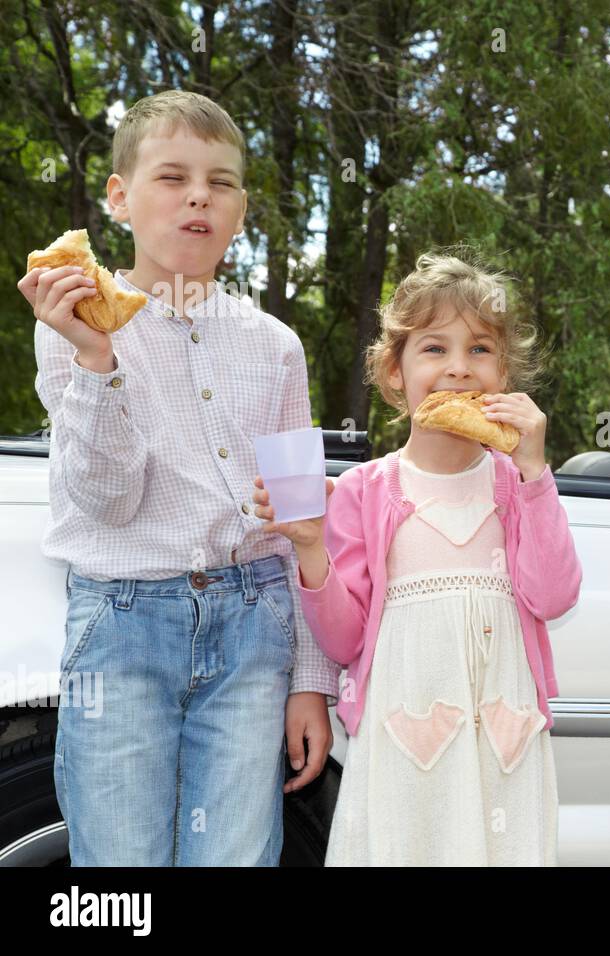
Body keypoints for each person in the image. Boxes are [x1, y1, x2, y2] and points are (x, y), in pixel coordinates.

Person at [21, 90, 337, 865]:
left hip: (252, 630)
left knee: (236, 854)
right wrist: (99, 362)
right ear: (120, 198)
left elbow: (300, 522)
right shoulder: (73, 325)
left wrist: (310, 678)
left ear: (240, 209)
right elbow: (109, 499)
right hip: (124, 629)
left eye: (220, 181)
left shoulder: (277, 347)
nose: (199, 194)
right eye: (173, 176)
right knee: (120, 861)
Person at [255, 249, 581, 865]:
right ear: (395, 373)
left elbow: (554, 595)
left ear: (504, 373)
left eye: (480, 349)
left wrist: (537, 473)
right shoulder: (364, 492)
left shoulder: (518, 486)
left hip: (502, 753)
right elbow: (345, 638)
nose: (459, 367)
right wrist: (309, 547)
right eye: (434, 348)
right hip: (402, 746)